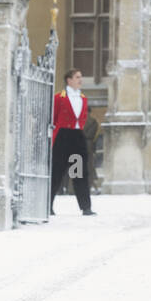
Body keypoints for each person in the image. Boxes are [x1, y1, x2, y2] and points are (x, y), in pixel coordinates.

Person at [50, 68, 96, 216]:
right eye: (77, 77)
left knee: (79, 172)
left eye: (80, 77)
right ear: (69, 80)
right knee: (57, 172)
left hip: (77, 136)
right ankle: (47, 205)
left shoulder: (83, 98)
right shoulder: (59, 97)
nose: (80, 80)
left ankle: (85, 207)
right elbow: (53, 118)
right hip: (63, 136)